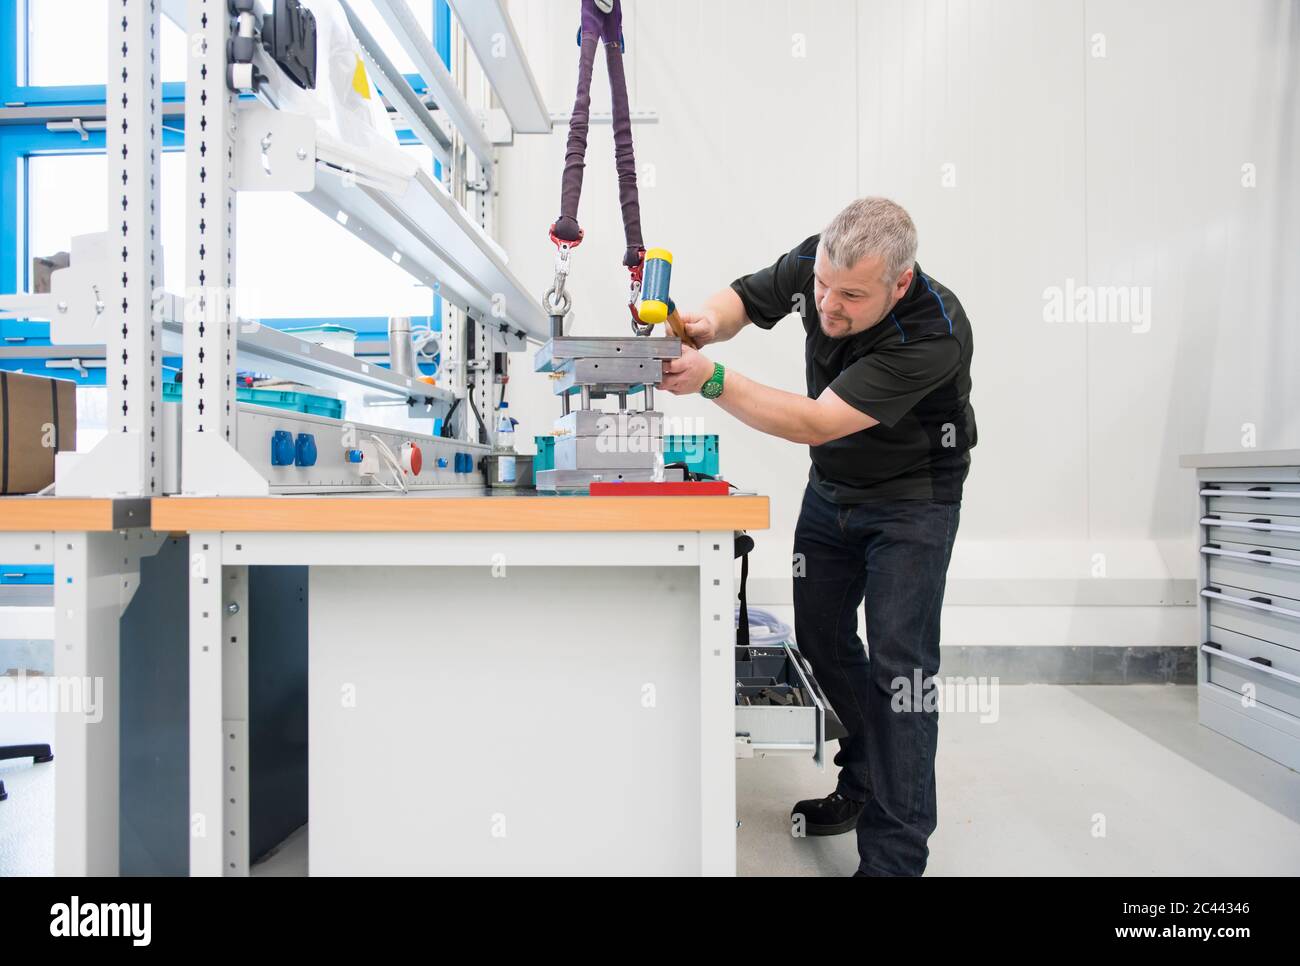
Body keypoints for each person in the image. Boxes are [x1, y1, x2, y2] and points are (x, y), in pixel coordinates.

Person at [660, 197, 976, 876]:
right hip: (833, 489)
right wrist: (702, 325)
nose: (828, 307)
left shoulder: (935, 333)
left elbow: (813, 422)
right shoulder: (820, 263)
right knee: (824, 644)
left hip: (913, 502)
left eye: (852, 296)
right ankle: (862, 781)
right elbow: (745, 299)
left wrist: (711, 378)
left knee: (901, 674)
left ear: (900, 282)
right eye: (823, 287)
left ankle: (894, 856)